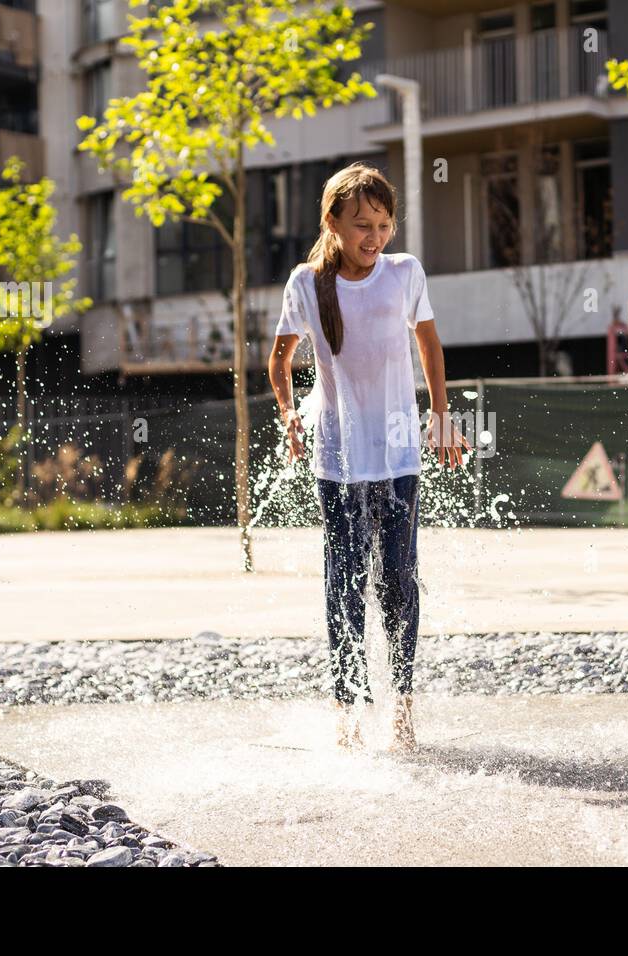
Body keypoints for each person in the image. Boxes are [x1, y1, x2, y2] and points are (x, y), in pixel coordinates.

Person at [267, 162, 469, 752]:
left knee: (400, 580)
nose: (375, 237)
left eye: (383, 224)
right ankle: (348, 714)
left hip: (401, 453)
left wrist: (440, 415)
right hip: (339, 459)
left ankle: (403, 710)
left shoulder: (404, 273)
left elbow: (428, 343)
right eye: (361, 225)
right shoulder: (306, 284)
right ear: (332, 222)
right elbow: (280, 361)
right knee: (345, 583)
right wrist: (288, 416)